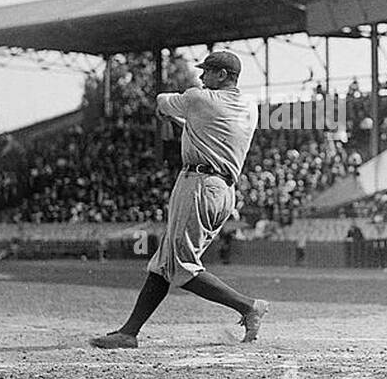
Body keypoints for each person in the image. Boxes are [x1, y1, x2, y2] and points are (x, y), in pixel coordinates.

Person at [90, 50, 268, 348]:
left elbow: (162, 100)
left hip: (198, 184)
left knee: (181, 266)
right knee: (164, 262)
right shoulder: (248, 105)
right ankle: (129, 332)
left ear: (222, 75)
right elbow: (209, 127)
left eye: (207, 71)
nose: (201, 76)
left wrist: (167, 111)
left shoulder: (200, 98)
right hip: (223, 190)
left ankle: (248, 306)